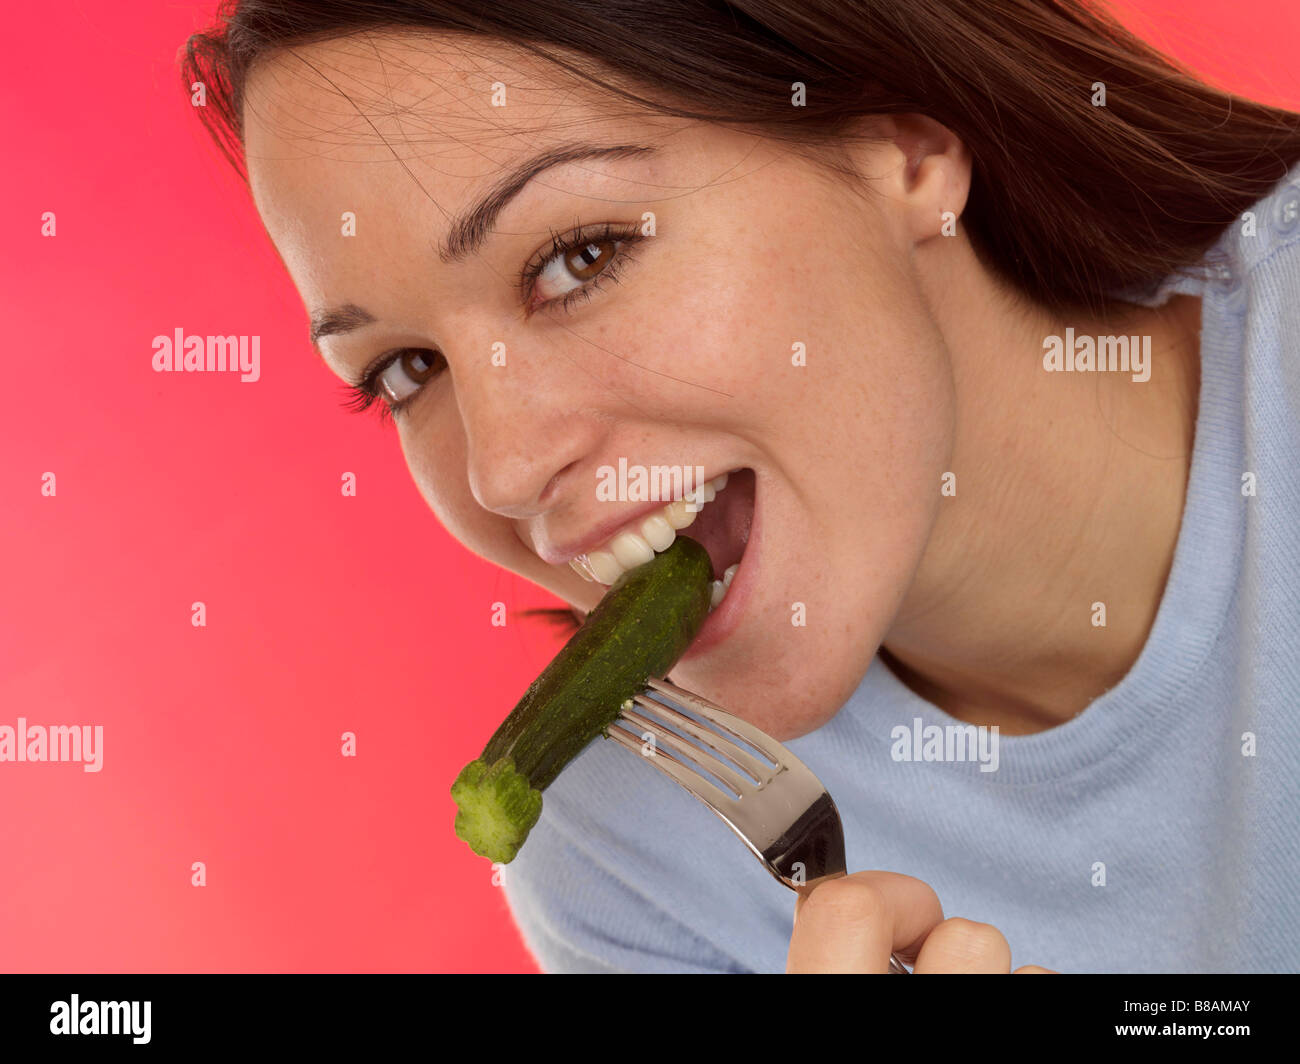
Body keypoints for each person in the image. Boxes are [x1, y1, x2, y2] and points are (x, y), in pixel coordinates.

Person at [183, 0, 1300, 972]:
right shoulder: (623, 857)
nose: (505, 467)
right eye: (406, 369)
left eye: (579, 255)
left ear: (902, 150)